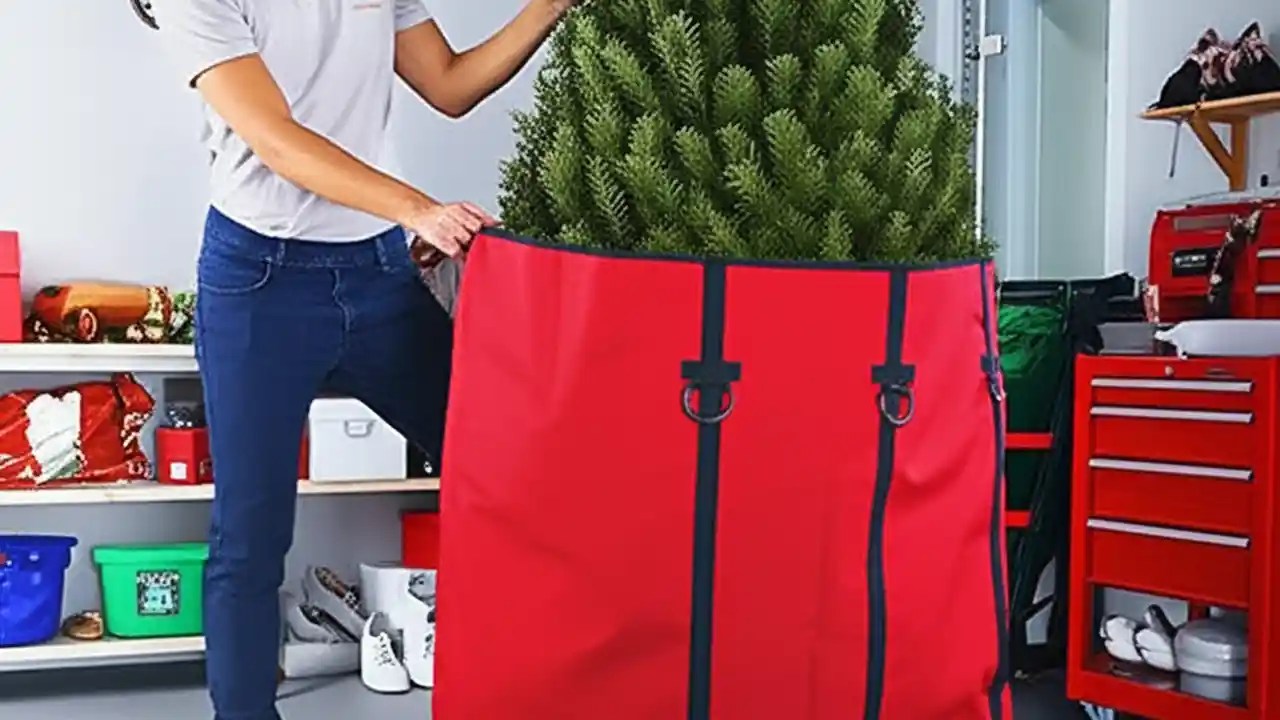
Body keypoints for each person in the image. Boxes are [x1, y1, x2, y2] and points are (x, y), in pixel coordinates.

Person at [150, 1, 580, 718]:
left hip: (376, 274)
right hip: (260, 283)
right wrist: (418, 208)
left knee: (512, 468)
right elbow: (277, 139)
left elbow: (448, 84)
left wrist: (548, 7)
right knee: (250, 540)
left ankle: (543, 679)